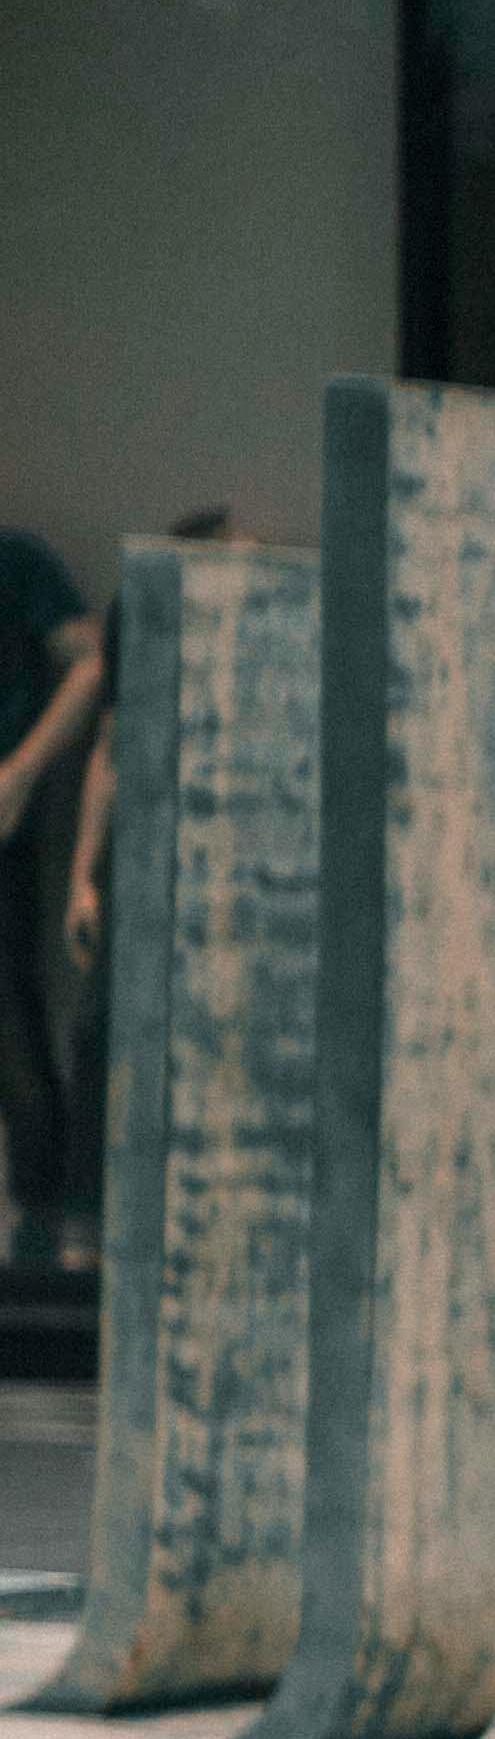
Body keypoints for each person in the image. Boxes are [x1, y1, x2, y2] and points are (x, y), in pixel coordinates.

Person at [0, 538, 107, 1262]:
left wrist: (20, 771)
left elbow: (93, 660)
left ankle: (49, 1240)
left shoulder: (15, 562)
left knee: (13, 1020)